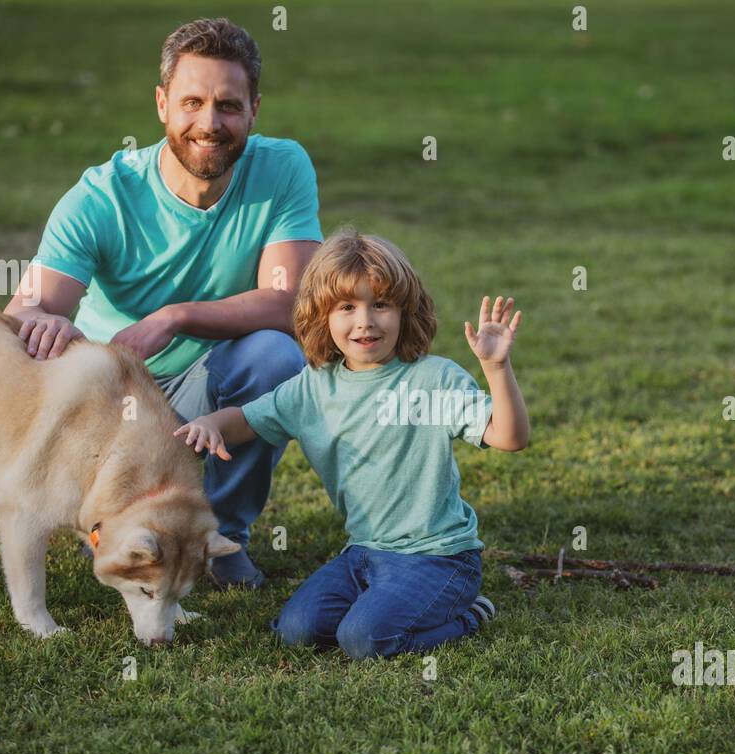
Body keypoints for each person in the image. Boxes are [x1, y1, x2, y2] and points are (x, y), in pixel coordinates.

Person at [3, 18, 322, 588]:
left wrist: (175, 317)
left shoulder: (281, 168)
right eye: (192, 102)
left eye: (228, 105)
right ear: (161, 104)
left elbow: (291, 302)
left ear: (253, 109)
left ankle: (221, 537)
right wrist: (42, 321)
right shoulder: (102, 196)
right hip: (115, 400)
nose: (209, 122)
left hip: (206, 382)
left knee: (277, 359)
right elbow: (20, 315)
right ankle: (111, 521)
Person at [174, 228, 530, 659]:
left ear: (404, 311)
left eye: (380, 304)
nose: (365, 320)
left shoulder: (433, 378)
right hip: (363, 553)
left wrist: (496, 367)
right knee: (297, 632)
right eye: (347, 307)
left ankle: (471, 613)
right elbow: (247, 419)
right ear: (322, 317)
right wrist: (212, 422)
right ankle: (380, 602)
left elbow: (511, 438)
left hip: (438, 558)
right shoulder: (314, 388)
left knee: (364, 640)